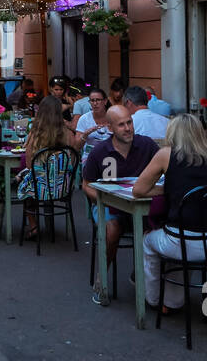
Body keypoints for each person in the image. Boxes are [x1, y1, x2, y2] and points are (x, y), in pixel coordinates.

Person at [133, 114, 207, 312]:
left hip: (184, 243)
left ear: (172, 133)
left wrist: (168, 189)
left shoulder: (166, 154)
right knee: (178, 234)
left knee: (150, 240)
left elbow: (138, 190)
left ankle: (158, 300)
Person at [82, 105, 160, 295]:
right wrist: (104, 200)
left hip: (139, 206)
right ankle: (103, 276)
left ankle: (147, 276)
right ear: (110, 128)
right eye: (121, 125)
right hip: (108, 206)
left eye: (129, 122)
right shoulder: (100, 151)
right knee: (113, 228)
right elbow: (86, 184)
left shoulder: (147, 145)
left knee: (161, 224)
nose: (128, 128)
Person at [15, 96, 79, 235]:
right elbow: (73, 160)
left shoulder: (35, 135)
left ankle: (33, 226)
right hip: (63, 187)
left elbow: (29, 165)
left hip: (41, 188)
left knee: (24, 181)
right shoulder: (68, 134)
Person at [74, 87, 111, 157]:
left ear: (105, 101)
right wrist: (85, 134)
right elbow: (77, 147)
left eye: (98, 100)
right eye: (92, 100)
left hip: (110, 157)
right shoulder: (84, 119)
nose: (95, 103)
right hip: (90, 157)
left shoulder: (113, 117)